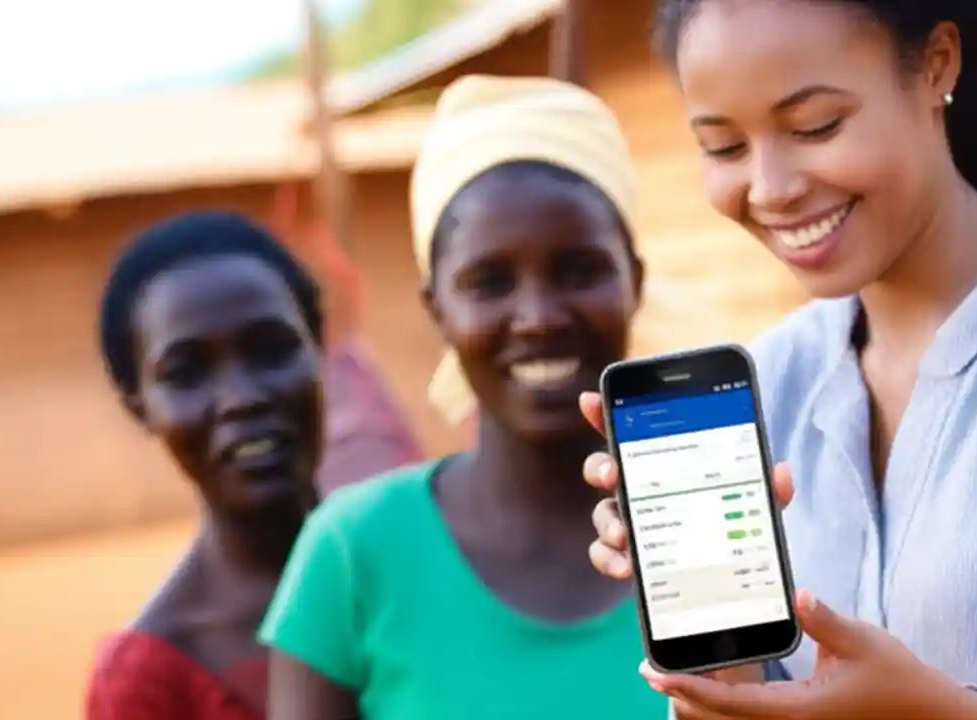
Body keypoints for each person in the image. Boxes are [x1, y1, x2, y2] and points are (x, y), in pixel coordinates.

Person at [580, 0, 977, 718]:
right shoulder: (774, 378)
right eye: (724, 147)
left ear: (937, 63)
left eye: (815, 126)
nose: (770, 187)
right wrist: (729, 683)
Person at [257, 75, 669, 720]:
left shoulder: (715, 535)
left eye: (578, 270)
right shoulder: (353, 555)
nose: (536, 317)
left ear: (634, 282)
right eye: (490, 281)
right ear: (437, 308)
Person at [84, 211, 407, 718]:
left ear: (319, 351)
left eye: (272, 350)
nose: (241, 399)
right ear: (138, 405)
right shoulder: (151, 683)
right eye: (187, 372)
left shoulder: (425, 568)